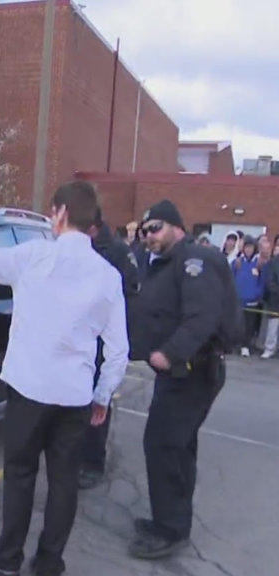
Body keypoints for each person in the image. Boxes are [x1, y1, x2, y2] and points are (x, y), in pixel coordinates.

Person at [0, 172, 128, 576]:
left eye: (53, 213)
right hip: (73, 397)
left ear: (61, 213)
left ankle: (7, 562)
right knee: (64, 482)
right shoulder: (108, 276)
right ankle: (50, 563)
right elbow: (118, 351)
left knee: (19, 477)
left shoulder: (34, 256)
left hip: (29, 388)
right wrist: (102, 396)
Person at [128, 200, 239, 561]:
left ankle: (170, 529)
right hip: (178, 373)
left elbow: (201, 317)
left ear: (177, 227)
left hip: (191, 370)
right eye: (144, 231)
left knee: (163, 445)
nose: (148, 236)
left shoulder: (195, 262)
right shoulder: (164, 264)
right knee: (177, 446)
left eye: (155, 228)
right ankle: (171, 519)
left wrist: (169, 353)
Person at [78, 208, 140, 490]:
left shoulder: (115, 252)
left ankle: (92, 461)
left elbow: (130, 292)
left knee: (97, 402)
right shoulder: (77, 247)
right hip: (78, 337)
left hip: (102, 338)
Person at [231, 239, 262, 356]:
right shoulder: (237, 262)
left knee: (249, 326)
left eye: (251, 247)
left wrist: (256, 294)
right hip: (238, 300)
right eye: (247, 247)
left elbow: (262, 282)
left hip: (252, 302)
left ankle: (246, 346)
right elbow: (230, 278)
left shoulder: (258, 263)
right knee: (238, 324)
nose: (249, 250)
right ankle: (235, 345)